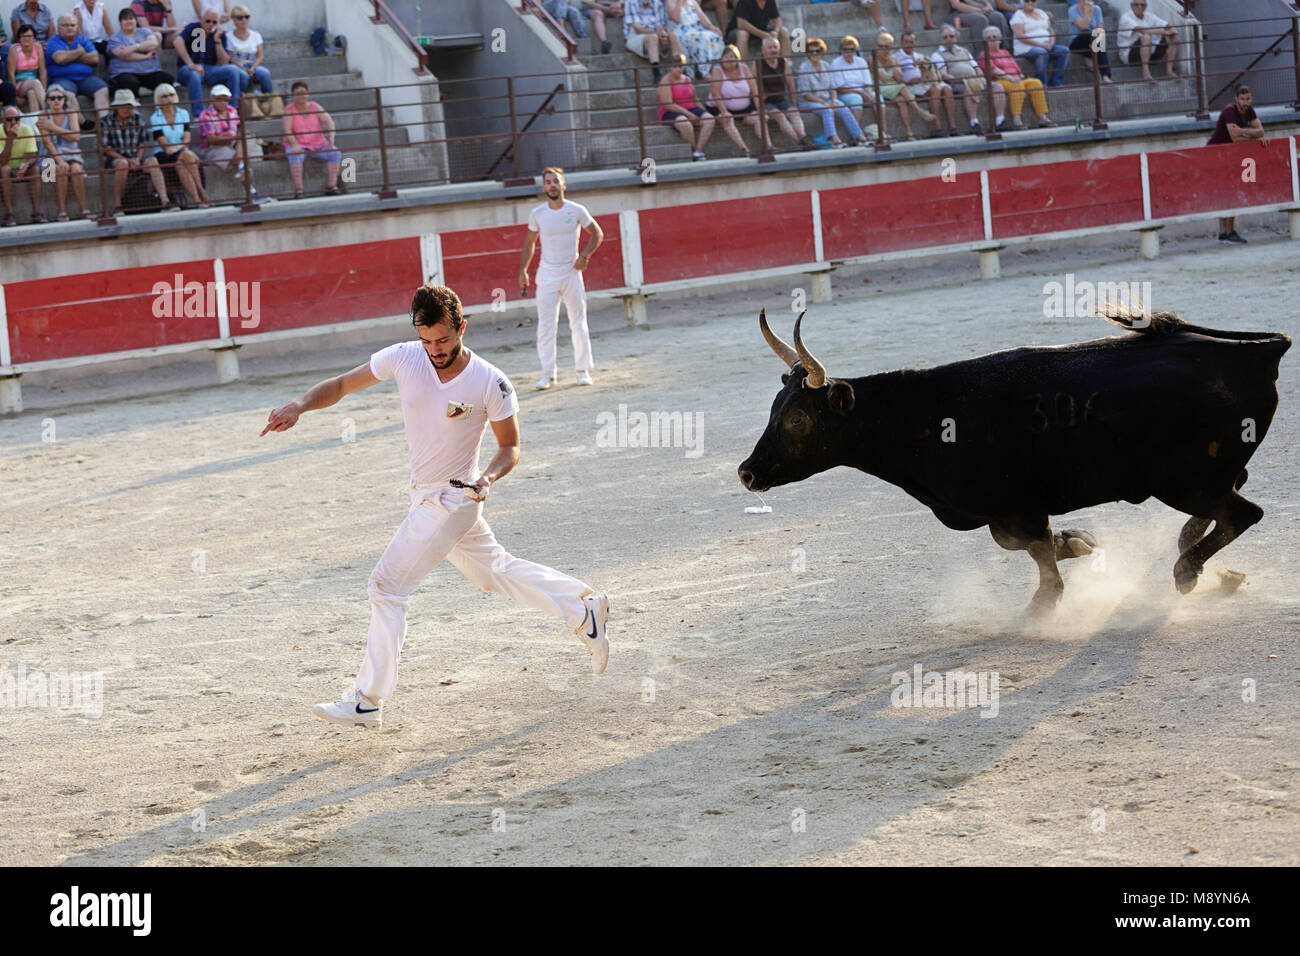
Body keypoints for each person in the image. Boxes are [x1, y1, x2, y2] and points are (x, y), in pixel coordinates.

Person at [261, 284, 613, 728]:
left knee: (386, 587)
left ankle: (367, 700)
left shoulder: (490, 380)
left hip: (454, 497)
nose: (435, 350)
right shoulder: (405, 356)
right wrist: (298, 405)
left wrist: (489, 476)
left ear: (461, 327)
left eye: (443, 340)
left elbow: (511, 447)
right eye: (427, 340)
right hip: (426, 494)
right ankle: (584, 609)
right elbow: (341, 385)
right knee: (494, 572)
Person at [518, 167, 603, 389]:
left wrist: (584, 255)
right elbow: (529, 243)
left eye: (556, 181)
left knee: (578, 321)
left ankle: (582, 370)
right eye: (547, 182)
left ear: (563, 185)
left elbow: (597, 233)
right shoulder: (537, 213)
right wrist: (523, 270)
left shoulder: (576, 210)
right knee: (546, 325)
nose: (552, 185)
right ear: (543, 187)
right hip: (546, 274)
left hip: (571, 272)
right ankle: (548, 374)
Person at [1208, 86, 1265, 245]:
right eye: (1242, 99)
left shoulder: (1250, 111)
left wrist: (1242, 131)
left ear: (1251, 99)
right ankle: (1227, 232)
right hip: (1215, 155)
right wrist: (1252, 137)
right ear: (1236, 99)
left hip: (1229, 155)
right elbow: (1235, 138)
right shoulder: (1229, 111)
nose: (1245, 102)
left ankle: (1226, 233)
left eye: (1248, 99)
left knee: (1229, 191)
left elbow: (1261, 131)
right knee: (1227, 192)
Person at [100, 87, 170, 215]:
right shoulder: (105, 121)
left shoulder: (139, 118)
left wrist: (137, 158)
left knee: (153, 161)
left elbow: (142, 144)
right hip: (114, 158)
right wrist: (127, 160)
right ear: (116, 107)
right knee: (122, 164)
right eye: (122, 105)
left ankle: (165, 201)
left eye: (129, 105)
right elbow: (106, 148)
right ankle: (117, 205)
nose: (126, 109)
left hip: (135, 155)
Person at [931, 22, 1004, 133]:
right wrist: (962, 80)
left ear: (956, 37)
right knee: (969, 88)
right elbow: (943, 74)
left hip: (975, 80)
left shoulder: (964, 51)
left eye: (951, 36)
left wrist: (981, 77)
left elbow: (976, 67)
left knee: (997, 86)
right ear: (941, 39)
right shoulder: (937, 54)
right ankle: (974, 122)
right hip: (957, 83)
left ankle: (1000, 120)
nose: (949, 39)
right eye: (945, 37)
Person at [979, 25, 1054, 129]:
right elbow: (994, 70)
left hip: (1014, 78)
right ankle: (1017, 119)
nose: (992, 40)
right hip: (1000, 81)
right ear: (985, 41)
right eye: (989, 38)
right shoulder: (984, 54)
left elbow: (1016, 68)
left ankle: (1042, 117)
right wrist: (1010, 78)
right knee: (1017, 86)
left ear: (1000, 39)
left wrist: (1019, 76)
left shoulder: (1005, 52)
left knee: (1035, 82)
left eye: (994, 37)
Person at [149, 80, 209, 207]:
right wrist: (178, 148)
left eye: (171, 95)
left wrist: (178, 147)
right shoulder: (155, 117)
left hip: (180, 152)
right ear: (158, 99)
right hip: (163, 155)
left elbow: (187, 139)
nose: (169, 99)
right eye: (164, 96)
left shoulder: (183, 113)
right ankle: (202, 192)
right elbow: (164, 146)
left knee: (182, 163)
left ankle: (197, 199)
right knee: (188, 155)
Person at [35, 85, 91, 219]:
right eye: (52, 98)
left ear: (64, 99)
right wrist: (60, 160)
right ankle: (62, 211)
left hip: (71, 154)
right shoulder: (43, 115)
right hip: (49, 157)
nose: (56, 100)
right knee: (60, 169)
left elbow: (76, 137)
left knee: (76, 169)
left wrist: (53, 127)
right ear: (47, 100)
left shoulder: (71, 113)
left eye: (59, 97)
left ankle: (84, 209)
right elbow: (47, 142)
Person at [799, 37, 867, 147]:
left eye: (818, 51)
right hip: (809, 101)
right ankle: (834, 139)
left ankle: (859, 137)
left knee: (843, 108)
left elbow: (832, 88)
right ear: (807, 53)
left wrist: (834, 101)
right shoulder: (804, 68)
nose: (815, 53)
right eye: (811, 51)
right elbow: (806, 95)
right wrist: (824, 103)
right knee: (827, 110)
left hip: (827, 99)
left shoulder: (826, 65)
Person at [173, 6, 244, 109]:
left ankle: (233, 110)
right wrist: (191, 64)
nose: (211, 24)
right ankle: (199, 116)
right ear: (202, 19)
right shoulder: (193, 28)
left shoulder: (220, 34)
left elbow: (224, 62)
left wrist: (217, 40)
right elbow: (177, 42)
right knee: (195, 74)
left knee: (233, 70)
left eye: (214, 22)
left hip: (208, 70)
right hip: (187, 69)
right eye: (208, 21)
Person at [282, 78, 341, 198]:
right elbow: (287, 130)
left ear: (308, 93)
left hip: (317, 143)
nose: (300, 96)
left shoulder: (315, 106)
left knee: (335, 153)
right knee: (294, 156)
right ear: (293, 95)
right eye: (297, 93)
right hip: (298, 143)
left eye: (303, 92)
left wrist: (331, 140)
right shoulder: (289, 109)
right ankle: (299, 189)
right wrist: (294, 144)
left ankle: (332, 185)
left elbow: (330, 123)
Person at [45, 14, 109, 122]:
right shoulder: (53, 42)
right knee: (67, 94)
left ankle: (103, 123)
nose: (69, 28)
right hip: (62, 79)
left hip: (86, 78)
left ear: (77, 27)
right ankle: (83, 123)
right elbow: (60, 58)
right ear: (59, 28)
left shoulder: (83, 41)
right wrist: (80, 52)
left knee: (102, 89)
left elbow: (95, 58)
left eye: (72, 25)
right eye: (65, 25)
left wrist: (69, 55)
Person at [871, 31, 932, 141]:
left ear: (891, 48)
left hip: (893, 88)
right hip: (879, 88)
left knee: (902, 101)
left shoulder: (894, 60)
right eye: (880, 46)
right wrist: (894, 79)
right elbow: (883, 79)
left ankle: (909, 132)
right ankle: (920, 111)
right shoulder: (872, 59)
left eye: (887, 47)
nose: (883, 49)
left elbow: (899, 79)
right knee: (903, 87)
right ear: (876, 46)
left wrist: (894, 65)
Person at [197, 82, 254, 193]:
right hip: (213, 148)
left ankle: (242, 168)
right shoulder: (205, 115)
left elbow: (238, 126)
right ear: (212, 99)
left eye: (225, 99)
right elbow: (211, 139)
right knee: (241, 158)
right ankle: (251, 191)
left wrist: (240, 134)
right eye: (219, 99)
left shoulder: (232, 111)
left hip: (231, 144)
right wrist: (235, 137)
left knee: (242, 146)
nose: (223, 102)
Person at [654, 51, 714, 159]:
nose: (678, 69)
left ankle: (698, 150)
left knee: (710, 119)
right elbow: (668, 104)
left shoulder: (687, 79)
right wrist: (689, 114)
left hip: (690, 107)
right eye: (675, 66)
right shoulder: (665, 82)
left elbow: (695, 99)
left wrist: (705, 112)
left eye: (680, 66)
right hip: (671, 111)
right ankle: (694, 149)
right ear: (670, 67)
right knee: (685, 123)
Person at [755, 34, 810, 149]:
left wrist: (794, 104)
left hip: (780, 99)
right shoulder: (758, 63)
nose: (773, 50)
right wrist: (760, 105)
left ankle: (803, 137)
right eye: (770, 48)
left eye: (775, 47)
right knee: (779, 115)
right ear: (763, 50)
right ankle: (801, 141)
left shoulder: (782, 62)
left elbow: (791, 84)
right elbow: (753, 85)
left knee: (794, 112)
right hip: (766, 101)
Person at [899, 30, 956, 136]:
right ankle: (936, 127)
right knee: (935, 89)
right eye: (906, 42)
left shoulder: (920, 56)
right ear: (901, 43)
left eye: (911, 42)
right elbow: (897, 77)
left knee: (947, 89)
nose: (909, 45)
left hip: (927, 82)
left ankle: (952, 127)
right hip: (911, 85)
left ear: (915, 43)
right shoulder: (896, 57)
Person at [106, 6, 174, 96]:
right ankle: (135, 105)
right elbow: (123, 54)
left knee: (167, 78)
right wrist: (145, 55)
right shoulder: (115, 38)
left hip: (150, 71)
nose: (129, 21)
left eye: (131, 18)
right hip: (125, 72)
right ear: (120, 23)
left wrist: (133, 47)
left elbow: (153, 43)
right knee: (129, 82)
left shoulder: (145, 31)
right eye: (125, 19)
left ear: (136, 21)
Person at [706, 43, 759, 155]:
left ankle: (768, 145)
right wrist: (724, 112)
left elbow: (755, 90)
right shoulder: (717, 70)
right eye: (726, 56)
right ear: (721, 59)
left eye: (732, 56)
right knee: (727, 120)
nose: (729, 59)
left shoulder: (744, 68)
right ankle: (744, 149)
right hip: (720, 108)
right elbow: (715, 93)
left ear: (737, 58)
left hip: (745, 108)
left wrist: (760, 109)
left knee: (760, 119)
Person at [225, 4, 274, 116]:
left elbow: (260, 55)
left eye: (247, 17)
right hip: (238, 66)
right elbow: (230, 58)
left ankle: (268, 102)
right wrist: (243, 68)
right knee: (242, 75)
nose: (244, 20)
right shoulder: (229, 36)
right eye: (240, 17)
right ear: (234, 20)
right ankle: (240, 105)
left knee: (265, 73)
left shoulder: (255, 35)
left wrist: (252, 68)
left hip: (253, 65)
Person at [1010, 0, 1067, 87]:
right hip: (1026, 47)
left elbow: (1051, 30)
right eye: (1027, 1)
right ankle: (1041, 84)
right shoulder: (1018, 15)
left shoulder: (1041, 13)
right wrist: (1042, 45)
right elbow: (1020, 36)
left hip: (1045, 45)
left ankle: (1056, 82)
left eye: (1033, 0)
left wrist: (1051, 43)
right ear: (1023, 2)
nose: (1030, 3)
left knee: (1064, 51)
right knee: (1042, 52)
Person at [1117, 0, 1178, 81]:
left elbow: (1166, 24)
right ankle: (1146, 74)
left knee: (1173, 37)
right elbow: (1143, 31)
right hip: (1129, 56)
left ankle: (1169, 71)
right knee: (1146, 37)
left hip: (1150, 53)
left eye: (1142, 5)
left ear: (1146, 6)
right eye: (1136, 5)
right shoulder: (1126, 18)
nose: (1139, 7)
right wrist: (1165, 32)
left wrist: (1174, 31)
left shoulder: (1149, 16)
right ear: (1131, 6)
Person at [0, 103, 41, 224]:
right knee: (5, 169)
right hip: (5, 167)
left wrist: (27, 164)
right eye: (9, 119)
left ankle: (37, 212)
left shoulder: (26, 129)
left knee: (36, 169)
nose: (13, 122)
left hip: (22, 167)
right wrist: (10, 139)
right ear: (3, 120)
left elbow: (33, 156)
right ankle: (9, 213)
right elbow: (3, 161)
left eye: (17, 119)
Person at [830, 34, 877, 138]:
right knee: (857, 99)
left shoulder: (861, 61)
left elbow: (867, 82)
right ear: (841, 50)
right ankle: (856, 135)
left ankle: (883, 132)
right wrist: (863, 94)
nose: (848, 52)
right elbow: (840, 88)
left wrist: (868, 94)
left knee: (878, 98)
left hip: (862, 91)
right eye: (845, 49)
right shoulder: (836, 63)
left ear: (855, 50)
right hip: (845, 93)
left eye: (851, 49)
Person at [666, 0, 722, 79]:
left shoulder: (692, 2)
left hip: (696, 29)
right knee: (701, 38)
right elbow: (676, 18)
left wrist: (711, 26)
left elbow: (701, 16)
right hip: (681, 32)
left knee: (714, 36)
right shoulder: (670, 2)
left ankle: (713, 69)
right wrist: (680, 2)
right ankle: (703, 72)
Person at [624, 0, 677, 79]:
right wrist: (656, 34)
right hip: (634, 36)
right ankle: (656, 73)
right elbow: (637, 29)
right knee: (652, 37)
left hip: (654, 35)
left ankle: (680, 68)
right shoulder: (630, 3)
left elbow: (660, 26)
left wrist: (662, 34)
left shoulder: (658, 3)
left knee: (673, 36)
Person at [1068, 0, 1110, 82]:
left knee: (1098, 36)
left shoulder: (1097, 9)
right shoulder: (1072, 10)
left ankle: (1105, 75)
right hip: (1077, 43)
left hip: (1093, 41)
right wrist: (1088, 12)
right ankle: (1090, 55)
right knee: (1087, 32)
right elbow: (1084, 26)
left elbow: (1100, 28)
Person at [6, 22, 44, 113]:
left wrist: (44, 88)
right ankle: (48, 109)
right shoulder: (14, 49)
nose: (27, 38)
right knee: (35, 83)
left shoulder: (38, 47)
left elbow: (43, 70)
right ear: (19, 38)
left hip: (34, 84)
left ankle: (35, 121)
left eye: (30, 36)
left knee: (32, 93)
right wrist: (15, 95)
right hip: (19, 84)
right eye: (23, 36)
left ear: (34, 38)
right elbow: (10, 73)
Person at [71, 0, 111, 64]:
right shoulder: (78, 10)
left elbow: (109, 29)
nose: (92, 1)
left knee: (110, 49)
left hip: (98, 41)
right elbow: (78, 33)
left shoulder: (101, 7)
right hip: (85, 42)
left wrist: (115, 43)